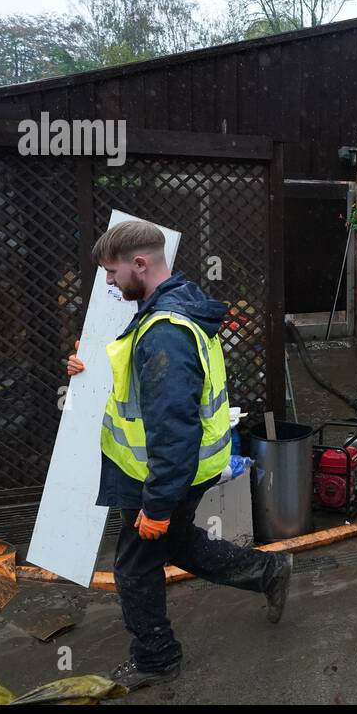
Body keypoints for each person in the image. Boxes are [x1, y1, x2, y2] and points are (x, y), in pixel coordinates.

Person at [66, 220, 291, 690]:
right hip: (177, 469)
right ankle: (266, 571)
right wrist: (87, 362)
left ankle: (156, 657)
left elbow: (173, 429)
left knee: (134, 568)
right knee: (180, 545)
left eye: (112, 272)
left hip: (164, 473)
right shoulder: (176, 302)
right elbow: (140, 374)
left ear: (140, 264)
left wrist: (157, 505)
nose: (108, 282)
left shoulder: (166, 330)